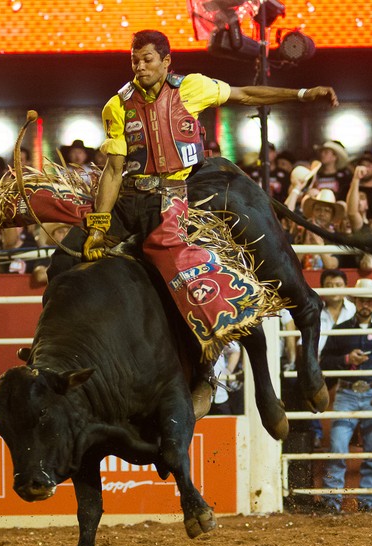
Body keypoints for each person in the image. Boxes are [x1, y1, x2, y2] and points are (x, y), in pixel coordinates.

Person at [89, 29, 338, 368]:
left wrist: (304, 94)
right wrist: (98, 224)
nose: (139, 68)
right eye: (134, 61)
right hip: (135, 196)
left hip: (182, 191)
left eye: (147, 60)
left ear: (166, 61)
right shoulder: (116, 106)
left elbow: (247, 94)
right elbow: (113, 171)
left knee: (172, 252)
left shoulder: (192, 87)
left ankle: (217, 323)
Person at [318, 278, 372, 512]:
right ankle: (333, 501)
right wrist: (346, 360)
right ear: (355, 301)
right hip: (347, 392)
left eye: (370, 301)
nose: (366, 304)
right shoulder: (342, 329)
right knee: (338, 447)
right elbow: (325, 362)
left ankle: (365, 503)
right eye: (362, 300)